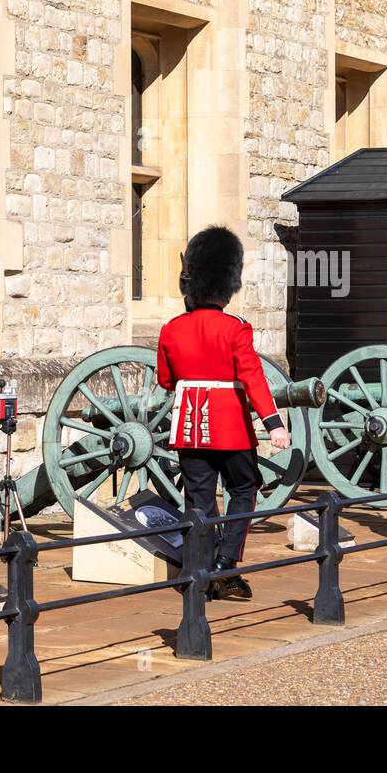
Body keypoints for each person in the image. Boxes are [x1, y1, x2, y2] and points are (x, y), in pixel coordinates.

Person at [156, 226, 292, 599]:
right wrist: (274, 423)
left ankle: (197, 571)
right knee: (243, 489)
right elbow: (253, 378)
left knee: (198, 501)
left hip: (188, 425)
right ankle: (225, 563)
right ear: (226, 285)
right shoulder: (235, 328)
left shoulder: (171, 329)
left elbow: (166, 379)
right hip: (229, 424)